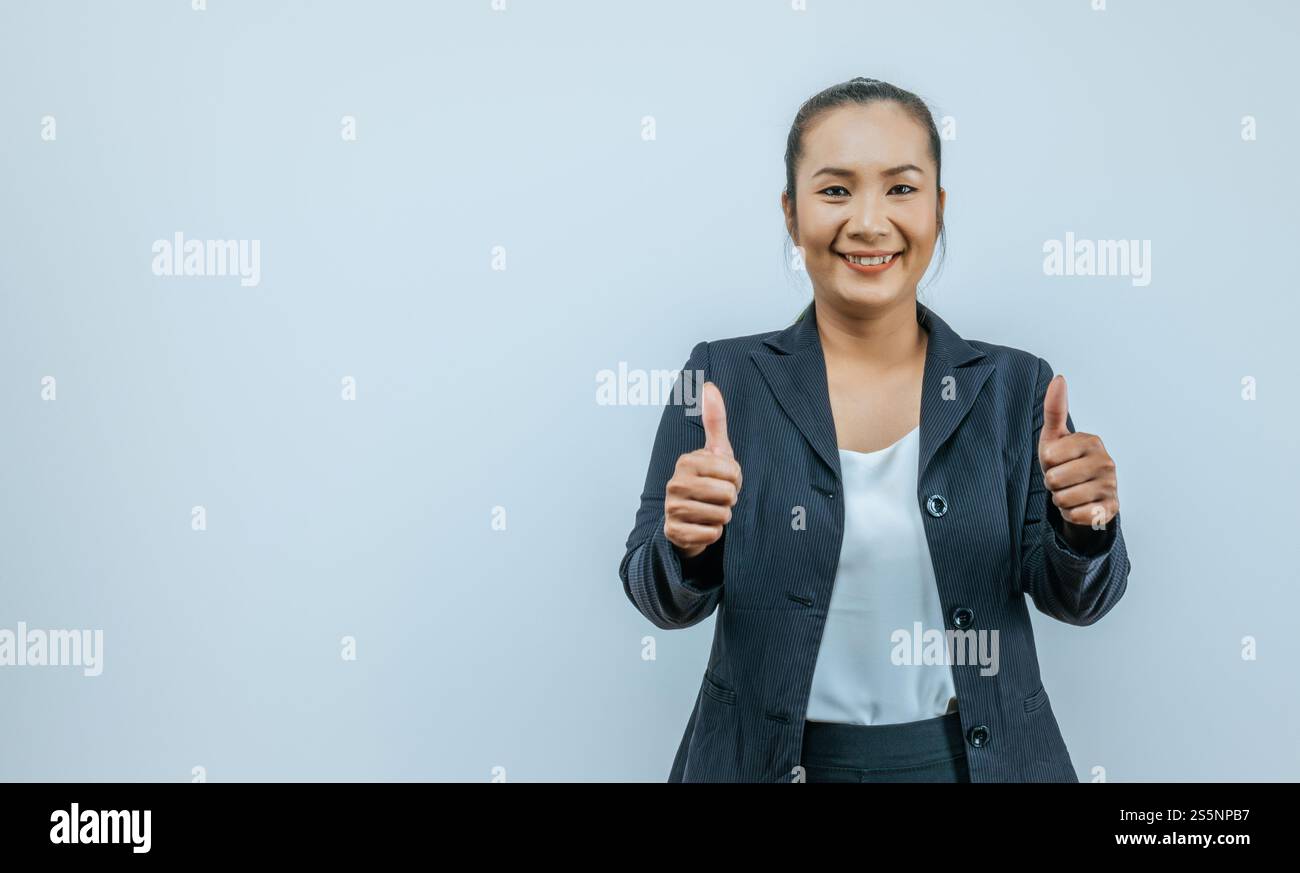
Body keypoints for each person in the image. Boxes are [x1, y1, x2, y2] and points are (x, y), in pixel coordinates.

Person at [618, 77, 1131, 783]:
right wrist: (686, 545)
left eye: (900, 188)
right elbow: (656, 596)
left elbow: (1080, 600)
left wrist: (1086, 527)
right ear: (790, 214)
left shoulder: (1016, 388)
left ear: (939, 208)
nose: (868, 222)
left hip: (974, 765)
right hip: (764, 762)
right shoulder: (718, 380)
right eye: (834, 190)